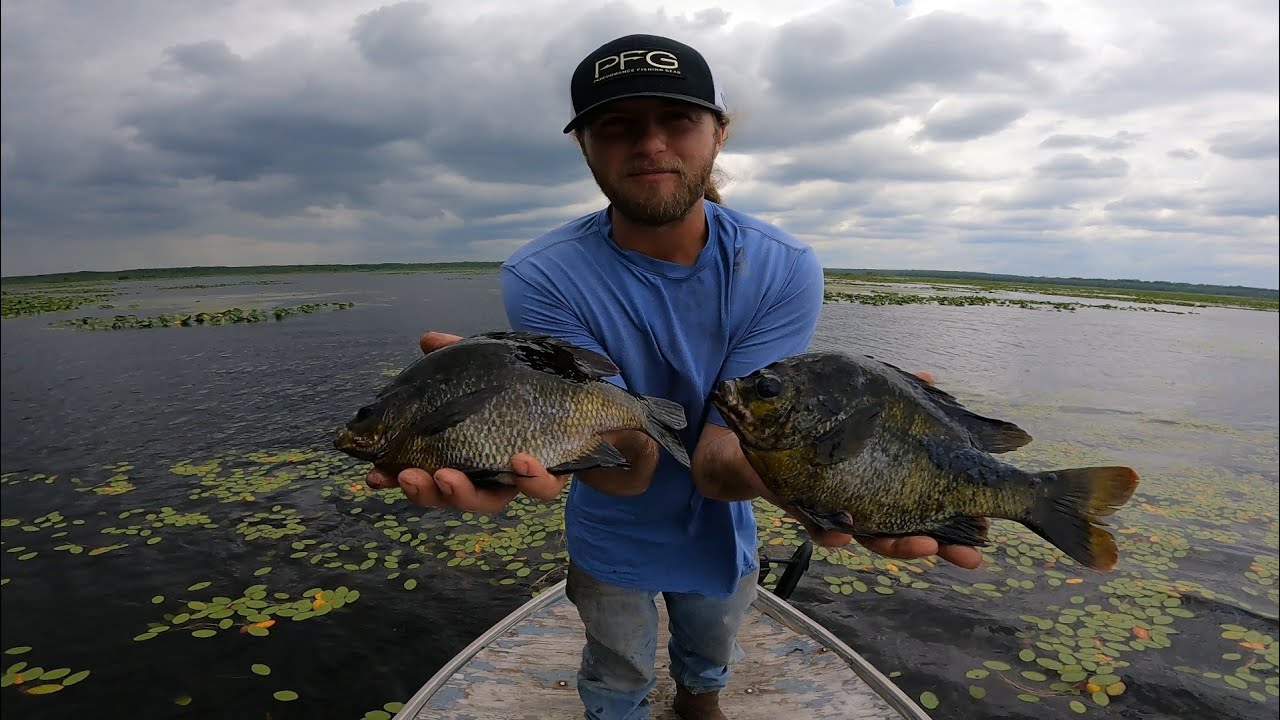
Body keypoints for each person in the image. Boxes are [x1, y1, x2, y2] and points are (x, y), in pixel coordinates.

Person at [367, 33, 982, 720]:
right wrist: (503, 430)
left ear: (718, 134)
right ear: (586, 146)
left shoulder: (782, 267)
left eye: (677, 120)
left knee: (711, 651)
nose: (651, 144)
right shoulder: (541, 275)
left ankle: (700, 703)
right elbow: (627, 468)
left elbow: (720, 461)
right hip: (609, 529)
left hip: (723, 527)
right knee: (617, 661)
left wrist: (824, 473)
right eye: (618, 125)